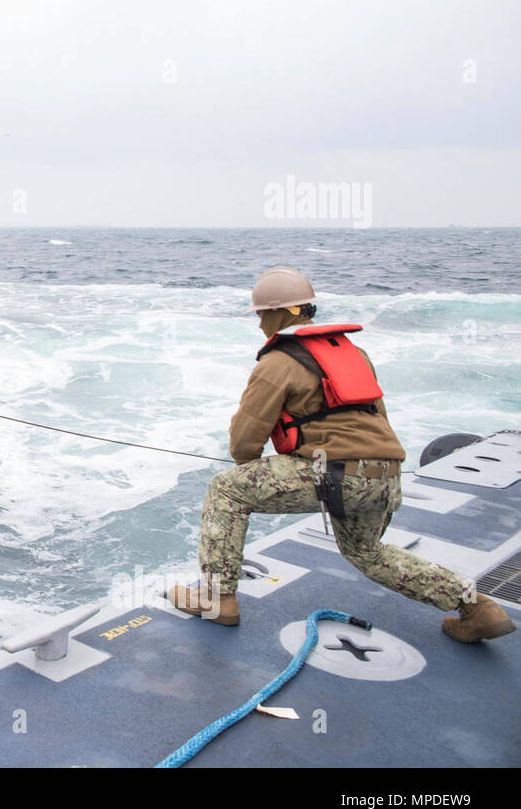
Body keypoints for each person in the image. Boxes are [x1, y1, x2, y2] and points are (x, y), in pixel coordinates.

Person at [168, 266, 515, 643]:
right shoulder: (352, 352)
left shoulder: (277, 362)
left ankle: (219, 599)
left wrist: (254, 469)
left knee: (225, 490)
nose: (259, 324)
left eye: (261, 313)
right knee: (368, 553)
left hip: (333, 473)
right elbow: (376, 416)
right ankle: (476, 606)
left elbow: (244, 443)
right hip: (386, 474)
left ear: (283, 312)